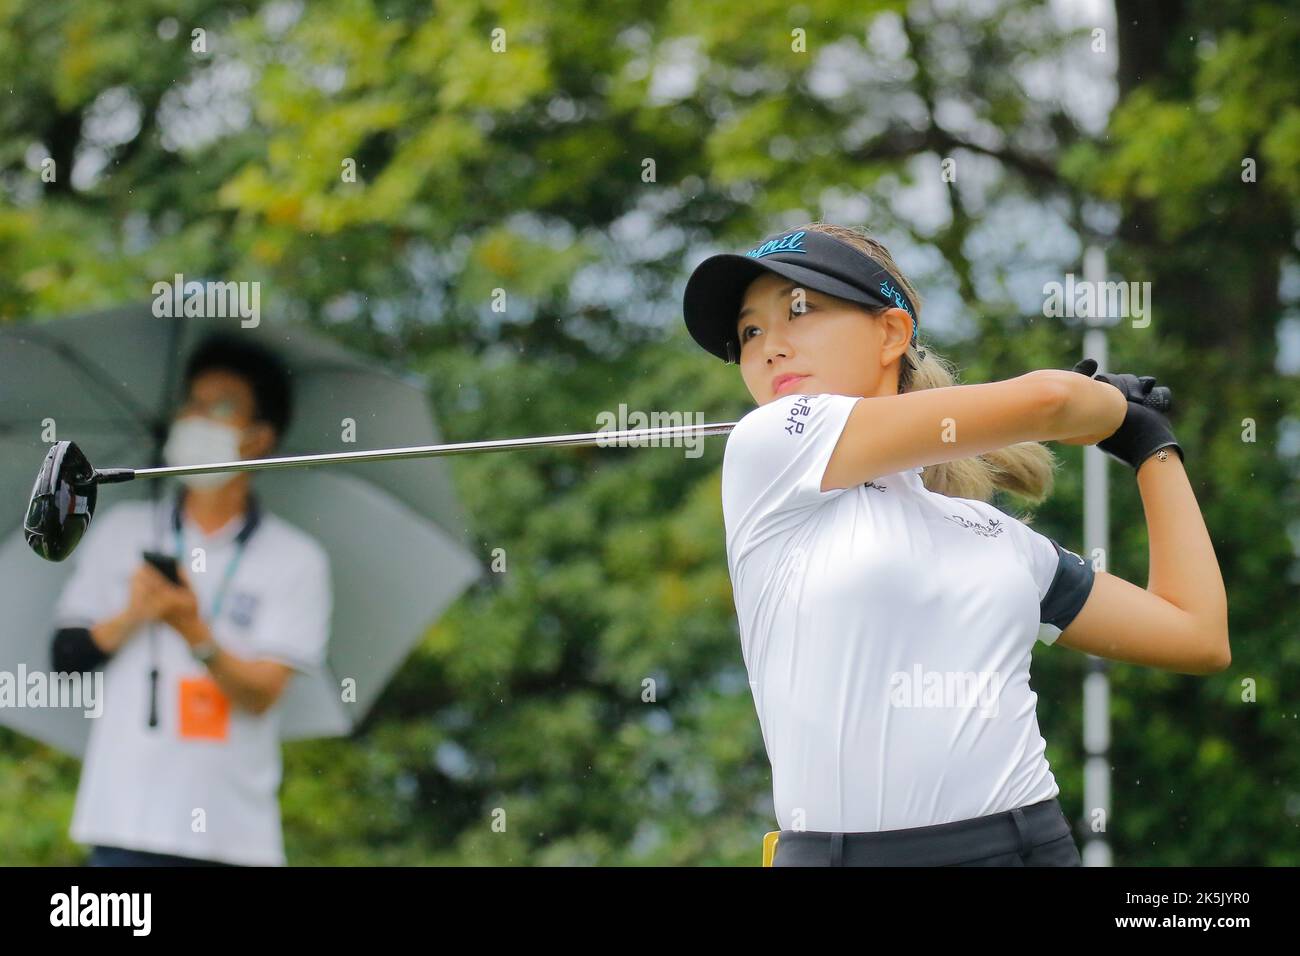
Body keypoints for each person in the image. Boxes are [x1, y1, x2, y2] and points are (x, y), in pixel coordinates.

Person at [682, 222, 1230, 866]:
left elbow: (1197, 636)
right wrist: (1108, 405)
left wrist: (1150, 447)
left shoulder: (995, 537)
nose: (770, 347)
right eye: (750, 332)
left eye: (800, 311)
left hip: (1030, 845)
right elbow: (1051, 400)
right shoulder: (769, 447)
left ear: (891, 333)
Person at [49, 331, 332, 866]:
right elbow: (65, 658)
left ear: (259, 436)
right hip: (122, 825)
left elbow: (261, 694)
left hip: (233, 838)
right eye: (192, 403)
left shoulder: (295, 559)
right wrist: (134, 614)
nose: (196, 418)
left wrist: (193, 631)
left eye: (219, 407)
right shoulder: (122, 530)